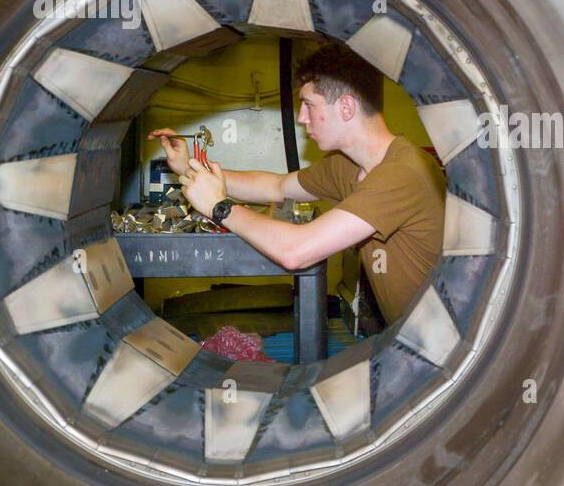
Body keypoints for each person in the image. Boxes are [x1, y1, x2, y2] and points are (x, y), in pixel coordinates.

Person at [153, 42, 446, 328]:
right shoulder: (348, 165)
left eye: (308, 105)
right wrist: (190, 166)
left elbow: (297, 251)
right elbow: (275, 187)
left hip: (443, 343)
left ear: (345, 107)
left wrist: (220, 208)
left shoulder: (403, 173)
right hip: (406, 334)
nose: (301, 118)